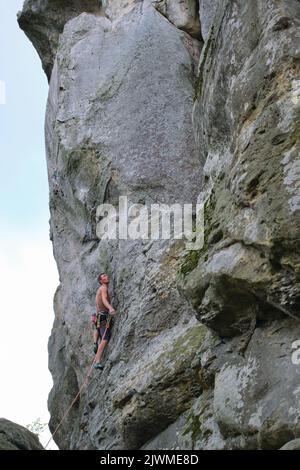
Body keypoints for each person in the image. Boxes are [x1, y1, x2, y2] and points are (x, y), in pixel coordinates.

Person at [92, 272, 116, 370]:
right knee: (105, 339)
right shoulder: (103, 288)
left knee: (99, 331)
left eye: (106, 275)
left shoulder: (99, 289)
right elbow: (104, 299)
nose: (107, 277)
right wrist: (110, 308)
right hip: (103, 316)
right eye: (104, 277)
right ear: (101, 281)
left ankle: (95, 342)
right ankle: (97, 361)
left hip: (98, 316)